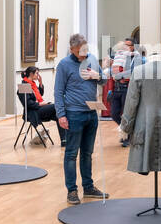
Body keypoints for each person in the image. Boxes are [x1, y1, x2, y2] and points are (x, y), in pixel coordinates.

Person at [53, 33, 110, 206]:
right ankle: (72, 190)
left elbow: (104, 80)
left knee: (87, 153)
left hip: (91, 113)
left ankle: (88, 187)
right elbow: (58, 91)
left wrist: (97, 75)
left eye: (85, 49)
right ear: (72, 50)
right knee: (71, 154)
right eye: (80, 51)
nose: (84, 54)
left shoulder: (92, 59)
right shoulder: (64, 65)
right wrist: (61, 115)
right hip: (73, 114)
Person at [22, 65, 62, 145]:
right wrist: (40, 104)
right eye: (37, 73)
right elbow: (27, 103)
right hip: (32, 112)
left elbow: (40, 94)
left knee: (59, 115)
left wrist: (40, 83)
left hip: (39, 109)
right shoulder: (24, 85)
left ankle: (64, 140)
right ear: (31, 74)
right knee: (56, 106)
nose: (38, 75)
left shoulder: (32, 84)